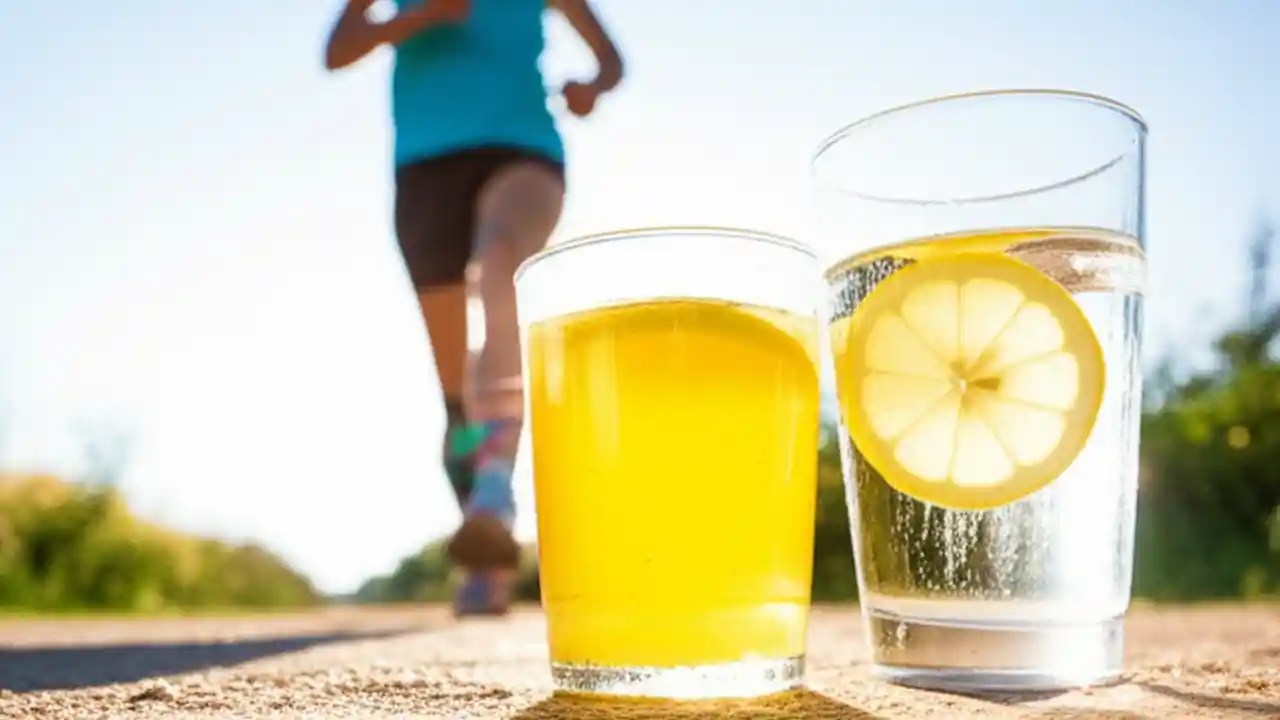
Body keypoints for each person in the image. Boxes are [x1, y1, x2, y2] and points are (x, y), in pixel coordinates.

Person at [324, 0, 622, 615]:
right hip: (425, 165)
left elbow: (611, 59)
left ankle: (494, 493)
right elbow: (339, 50)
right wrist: (424, 16)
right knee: (457, 396)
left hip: (523, 148)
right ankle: (485, 557)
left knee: (502, 260)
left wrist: (591, 88)